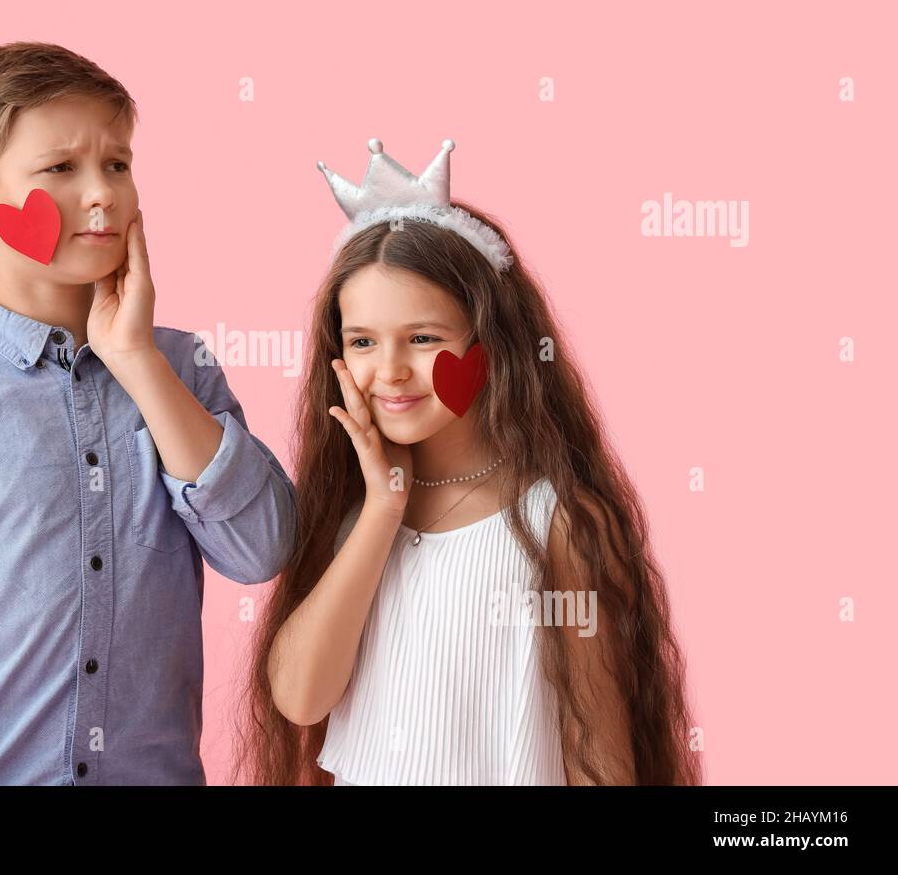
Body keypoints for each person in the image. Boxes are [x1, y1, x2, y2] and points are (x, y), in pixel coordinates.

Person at [0, 42, 297, 785]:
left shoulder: (185, 369)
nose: (102, 194)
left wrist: (137, 359)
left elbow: (262, 548)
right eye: (61, 170)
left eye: (118, 163)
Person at [233, 137, 702, 786]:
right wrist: (383, 508)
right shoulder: (348, 519)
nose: (390, 370)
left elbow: (597, 752)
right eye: (363, 341)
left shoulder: (556, 526)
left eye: (424, 338)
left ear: (494, 346)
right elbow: (300, 698)